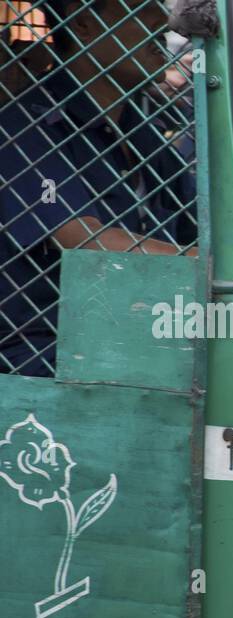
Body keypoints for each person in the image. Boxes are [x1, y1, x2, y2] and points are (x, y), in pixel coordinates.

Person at [0, 0, 192, 377]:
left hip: (142, 335)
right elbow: (82, 235)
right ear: (85, 26)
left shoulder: (144, 131)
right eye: (139, 8)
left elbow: (195, 223)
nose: (163, 23)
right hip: (45, 357)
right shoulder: (24, 126)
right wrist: (203, 265)